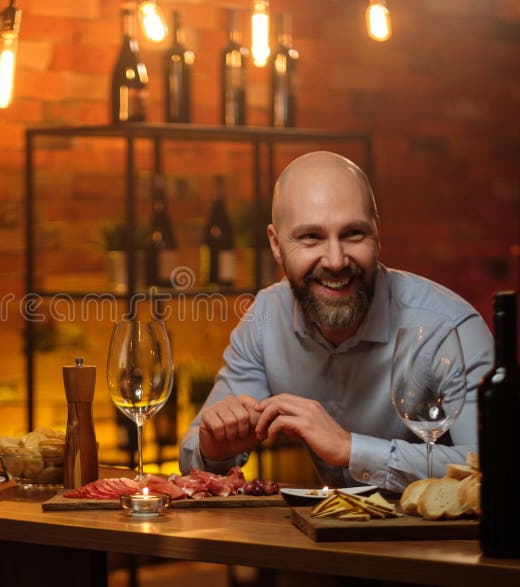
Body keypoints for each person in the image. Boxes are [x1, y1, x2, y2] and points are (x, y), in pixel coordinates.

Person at [179, 151, 494, 492]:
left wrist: (349, 448)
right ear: (275, 244)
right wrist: (214, 449)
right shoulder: (265, 319)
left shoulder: (450, 327)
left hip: (442, 541)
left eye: (354, 233)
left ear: (377, 231)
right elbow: (194, 455)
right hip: (324, 537)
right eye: (311, 237)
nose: (336, 260)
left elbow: (498, 464)